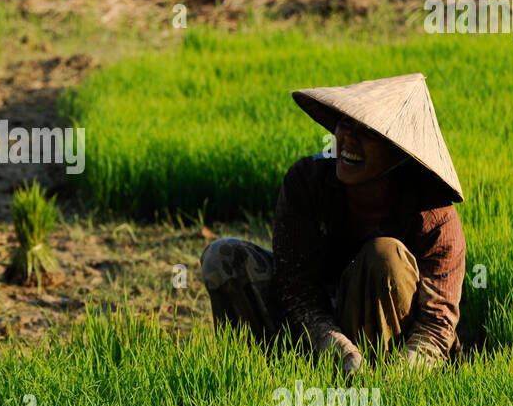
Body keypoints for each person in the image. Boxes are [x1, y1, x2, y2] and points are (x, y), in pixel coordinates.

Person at [200, 73, 466, 377]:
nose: (348, 139)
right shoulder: (307, 182)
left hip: (393, 359)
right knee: (222, 256)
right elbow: (295, 287)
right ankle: (254, 378)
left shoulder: (433, 217)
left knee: (384, 254)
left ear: (398, 152)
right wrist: (339, 349)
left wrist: (399, 380)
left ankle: (371, 385)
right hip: (315, 332)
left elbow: (436, 324)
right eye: (345, 124)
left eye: (367, 132)